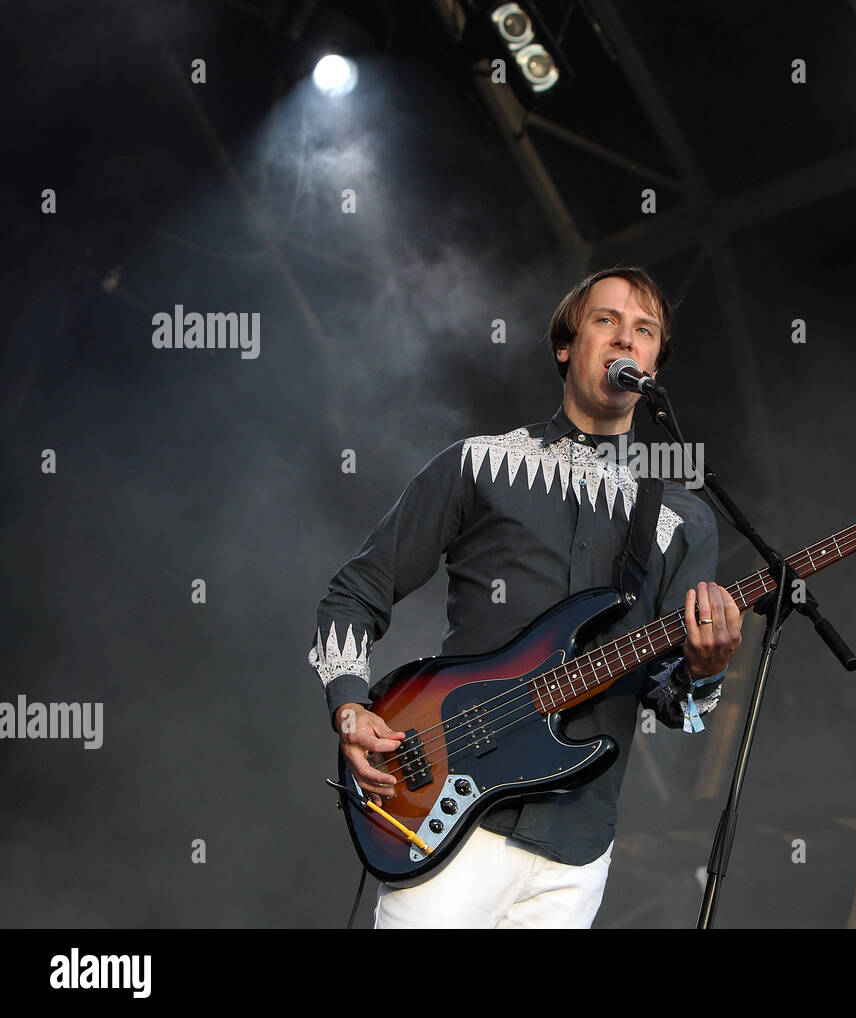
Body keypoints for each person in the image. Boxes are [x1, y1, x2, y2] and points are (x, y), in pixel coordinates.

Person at [308, 266, 743, 928]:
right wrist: (347, 707)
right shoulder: (479, 464)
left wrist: (706, 676)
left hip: (577, 850)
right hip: (445, 817)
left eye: (645, 331)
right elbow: (356, 590)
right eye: (607, 321)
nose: (626, 339)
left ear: (655, 363)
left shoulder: (685, 519)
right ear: (566, 345)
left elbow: (678, 714)